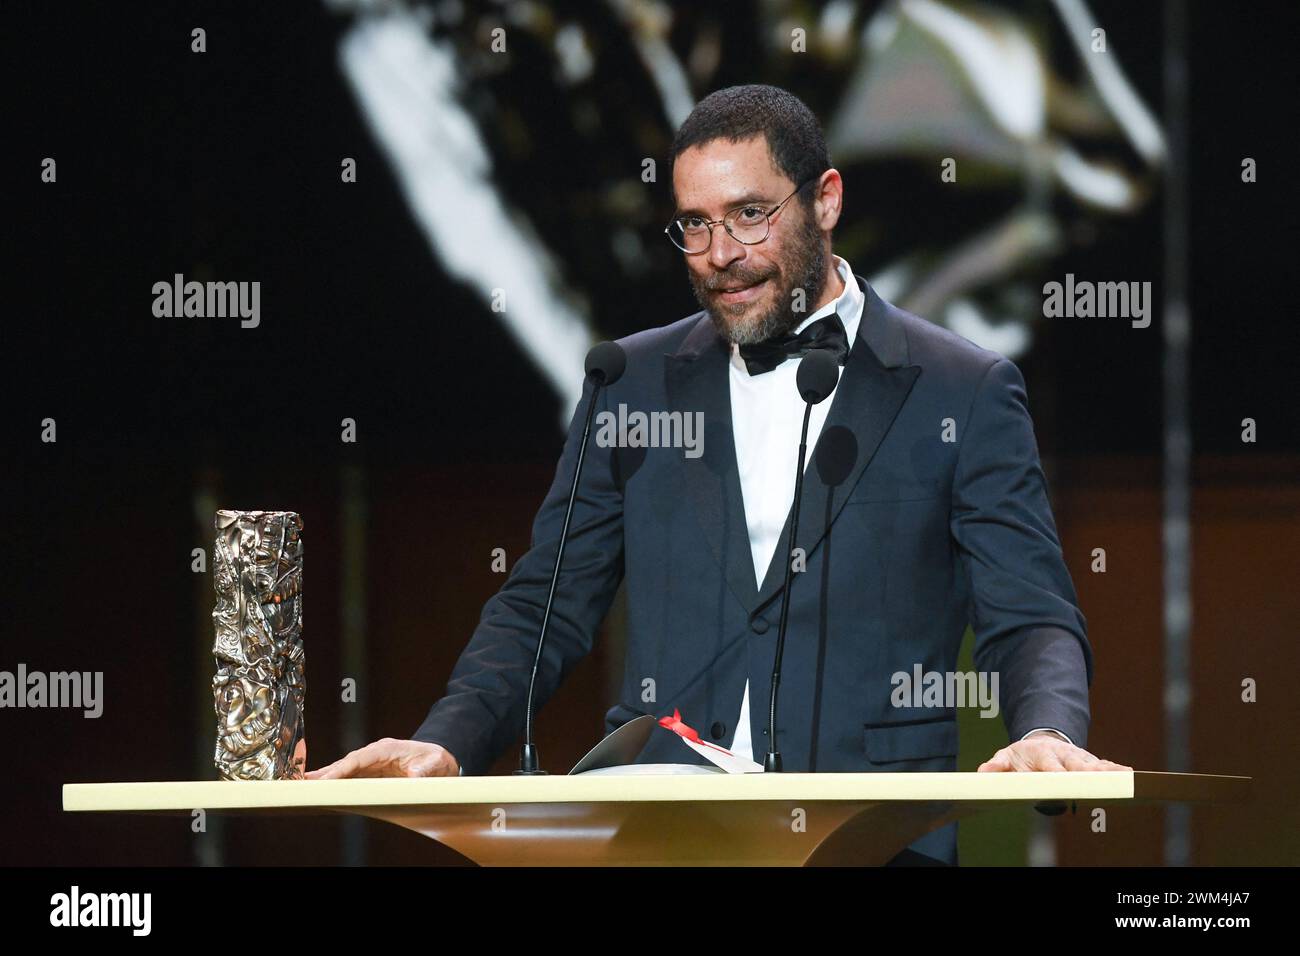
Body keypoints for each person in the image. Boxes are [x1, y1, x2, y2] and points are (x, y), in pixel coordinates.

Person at [307, 84, 1130, 865]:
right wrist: (449, 738)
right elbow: (545, 606)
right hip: (660, 840)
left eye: (749, 215)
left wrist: (1046, 734)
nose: (721, 256)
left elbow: (1029, 616)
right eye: (693, 226)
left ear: (827, 199)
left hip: (874, 843)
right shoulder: (627, 383)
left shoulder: (964, 389)